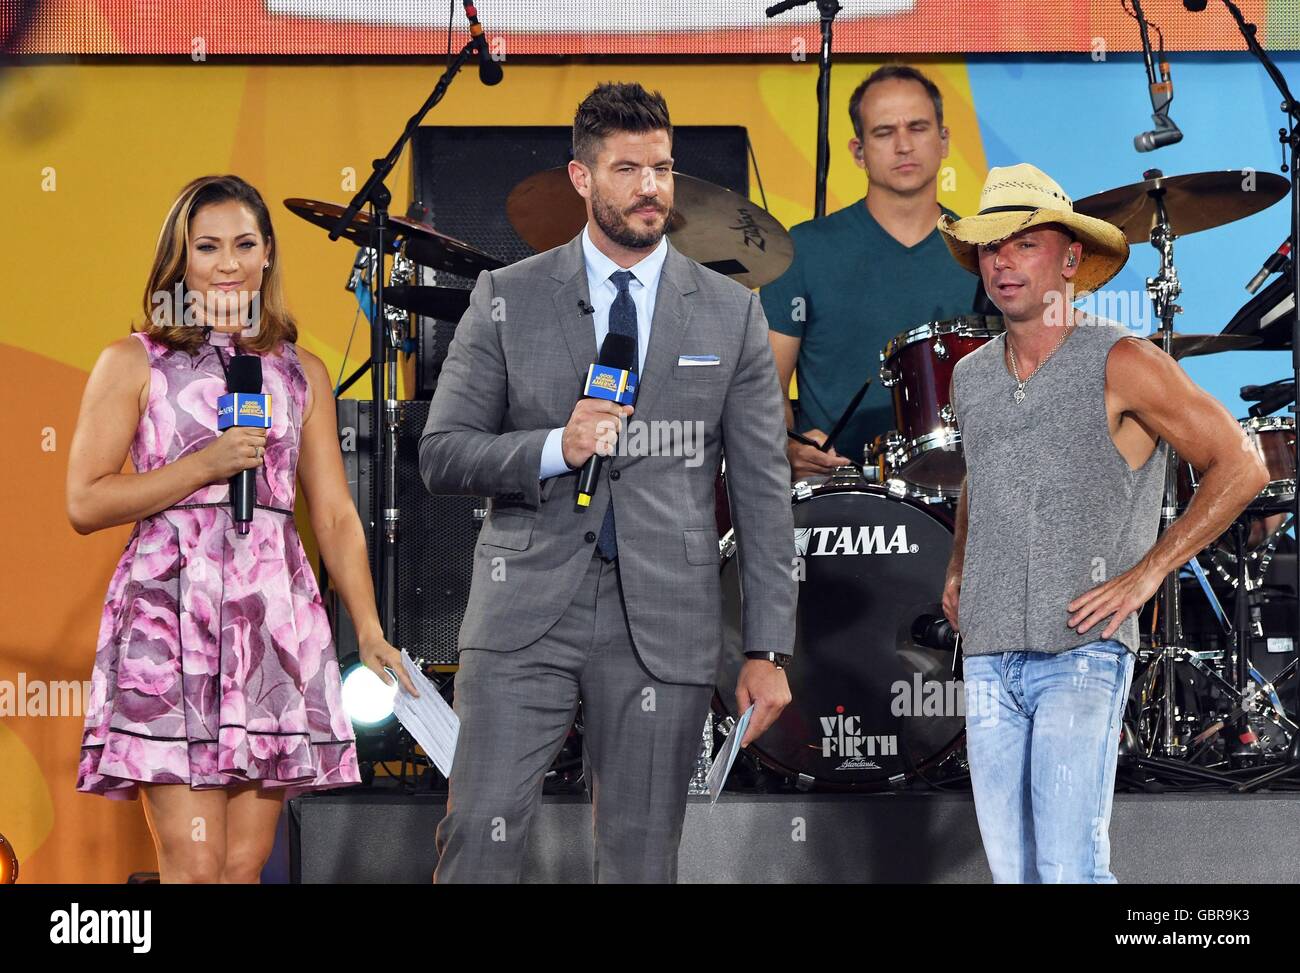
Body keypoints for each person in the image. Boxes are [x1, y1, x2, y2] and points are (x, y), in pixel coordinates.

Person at [419, 82, 796, 883]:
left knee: (640, 861)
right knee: (478, 843)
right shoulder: (506, 297)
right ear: (581, 178)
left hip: (665, 622)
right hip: (524, 610)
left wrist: (766, 647)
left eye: (661, 167)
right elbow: (443, 452)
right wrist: (559, 443)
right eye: (627, 168)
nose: (651, 187)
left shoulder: (731, 313)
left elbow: (765, 492)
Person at [66, 175, 414, 883]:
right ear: (180, 259)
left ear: (266, 257)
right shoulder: (133, 361)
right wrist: (205, 466)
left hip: (270, 623)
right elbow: (85, 500)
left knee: (239, 866)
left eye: (244, 244)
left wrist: (370, 630)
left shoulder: (299, 370)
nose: (227, 262)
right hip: (171, 620)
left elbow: (337, 515)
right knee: (191, 866)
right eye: (208, 246)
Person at [939, 163, 1270, 883]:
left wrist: (1149, 570)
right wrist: (960, 564)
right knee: (1016, 874)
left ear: (1070, 258)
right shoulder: (971, 375)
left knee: (1068, 871)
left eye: (1024, 242)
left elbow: (1243, 464)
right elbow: (980, 477)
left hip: (1080, 650)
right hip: (989, 652)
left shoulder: (1123, 360)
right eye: (991, 246)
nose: (1002, 259)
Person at [761, 64, 982, 480]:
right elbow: (766, 384)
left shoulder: (983, 252)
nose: (903, 145)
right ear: (858, 151)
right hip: (834, 492)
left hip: (961, 496)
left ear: (944, 140)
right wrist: (785, 444)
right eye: (884, 132)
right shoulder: (802, 250)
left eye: (917, 128)